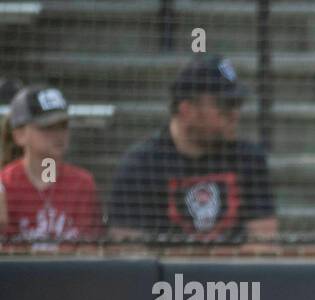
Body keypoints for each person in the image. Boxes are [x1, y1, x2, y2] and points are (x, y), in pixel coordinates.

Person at [108, 54, 276, 242]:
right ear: (186, 110)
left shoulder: (249, 159)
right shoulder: (140, 166)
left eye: (237, 105)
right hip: (170, 272)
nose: (234, 115)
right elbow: (129, 252)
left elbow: (264, 245)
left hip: (232, 271)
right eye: (224, 106)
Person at [1, 86, 103, 246]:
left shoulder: (82, 184)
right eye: (47, 127)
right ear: (19, 135)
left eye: (63, 125)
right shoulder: (4, 185)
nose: (58, 135)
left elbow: (90, 249)